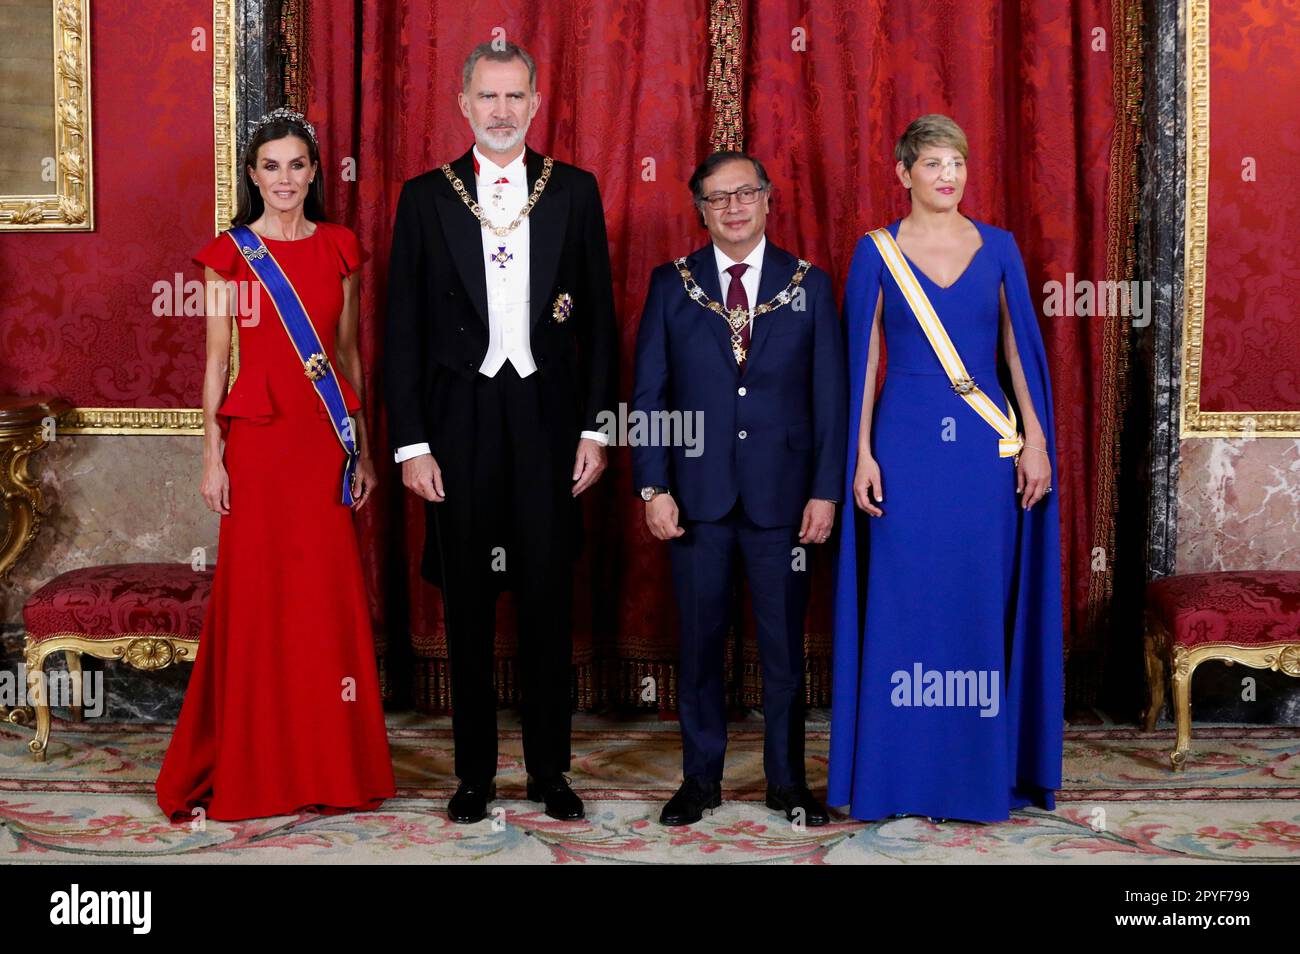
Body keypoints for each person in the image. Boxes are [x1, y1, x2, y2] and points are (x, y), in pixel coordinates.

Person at [384, 42, 617, 824]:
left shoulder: (574, 190)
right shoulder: (425, 196)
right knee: (469, 607)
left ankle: (551, 770)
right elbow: (402, 329)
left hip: (548, 419)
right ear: (463, 104)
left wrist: (597, 429)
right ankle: (474, 776)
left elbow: (601, 324)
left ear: (537, 102)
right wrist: (412, 444)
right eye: (488, 96)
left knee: (548, 601)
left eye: (515, 96)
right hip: (459, 422)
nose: (502, 110)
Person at [156, 108, 395, 821]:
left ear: (314, 172)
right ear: (253, 175)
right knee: (261, 600)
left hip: (323, 441)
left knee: (323, 599)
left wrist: (363, 450)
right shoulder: (230, 256)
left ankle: (331, 765)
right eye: (271, 166)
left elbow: (348, 356)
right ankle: (257, 765)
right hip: (258, 445)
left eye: (296, 165)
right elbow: (215, 365)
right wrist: (212, 457)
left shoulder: (341, 248)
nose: (284, 178)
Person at [828, 114, 1063, 822]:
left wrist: (1037, 441)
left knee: (974, 597)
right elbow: (864, 358)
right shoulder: (875, 250)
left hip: (983, 452)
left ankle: (976, 776)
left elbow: (1018, 350)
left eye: (956, 162)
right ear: (904, 174)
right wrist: (861, 454)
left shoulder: (1000, 247)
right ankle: (896, 775)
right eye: (932, 163)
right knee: (905, 603)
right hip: (903, 443)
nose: (948, 175)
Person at [631, 151, 847, 827]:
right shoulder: (672, 284)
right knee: (700, 647)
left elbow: (831, 399)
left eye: (745, 193)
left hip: (784, 502)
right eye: (718, 198)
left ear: (768, 199)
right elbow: (649, 395)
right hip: (696, 501)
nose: (733, 208)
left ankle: (787, 783)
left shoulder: (809, 284)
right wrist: (653, 487)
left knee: (783, 651)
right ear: (700, 210)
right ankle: (700, 782)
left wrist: (825, 491)